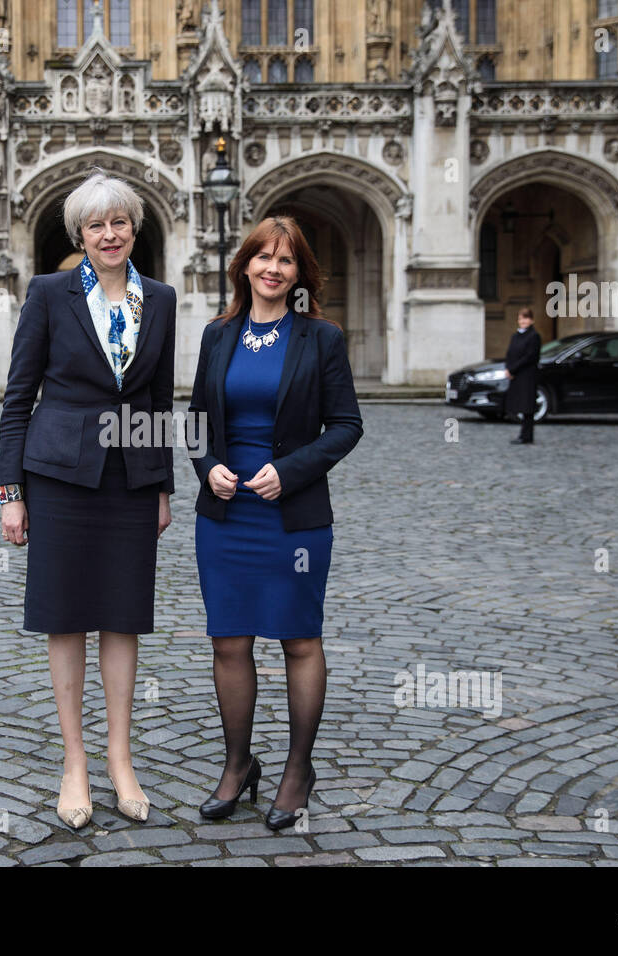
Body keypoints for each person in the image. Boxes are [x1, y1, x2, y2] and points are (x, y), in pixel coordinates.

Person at [0, 168, 176, 829]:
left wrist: (161, 484)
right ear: (80, 233)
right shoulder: (48, 294)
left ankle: (120, 757)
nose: (109, 233)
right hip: (59, 475)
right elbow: (18, 399)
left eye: (120, 221)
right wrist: (10, 493)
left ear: (135, 227)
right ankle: (74, 762)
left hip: (131, 478)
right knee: (66, 615)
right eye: (96, 224)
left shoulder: (161, 298)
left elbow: (159, 400)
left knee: (123, 615)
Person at [188, 216, 363, 831]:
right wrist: (207, 466)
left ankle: (297, 769)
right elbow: (195, 423)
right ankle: (238, 765)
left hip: (293, 517)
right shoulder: (218, 335)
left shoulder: (321, 337)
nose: (272, 267)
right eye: (262, 256)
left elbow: (347, 425)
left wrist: (289, 471)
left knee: (298, 640)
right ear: (244, 265)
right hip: (226, 514)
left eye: (285, 260)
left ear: (299, 274)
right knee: (230, 641)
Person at [504, 306, 541, 444]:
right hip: (516, 375)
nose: (523, 321)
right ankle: (523, 435)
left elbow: (530, 357)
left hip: (527, 376)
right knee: (520, 405)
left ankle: (527, 436)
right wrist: (508, 369)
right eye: (520, 318)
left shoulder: (534, 336)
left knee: (527, 407)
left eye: (525, 318)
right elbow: (510, 353)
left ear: (531, 320)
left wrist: (512, 369)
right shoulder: (515, 336)